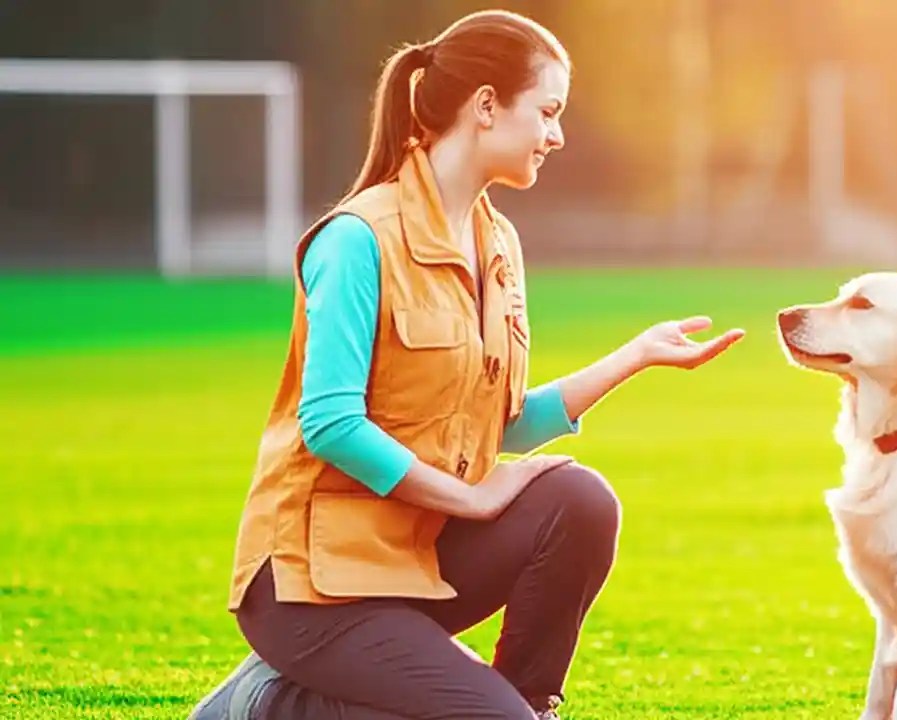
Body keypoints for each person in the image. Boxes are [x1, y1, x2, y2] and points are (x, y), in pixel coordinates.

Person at [185, 9, 744, 720]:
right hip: (310, 586)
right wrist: (474, 500)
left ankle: (525, 707)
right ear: (485, 106)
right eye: (547, 111)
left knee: (579, 501)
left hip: (413, 561)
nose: (557, 134)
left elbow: (496, 426)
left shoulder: (499, 245)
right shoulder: (358, 239)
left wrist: (633, 358)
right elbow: (329, 424)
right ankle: (266, 703)